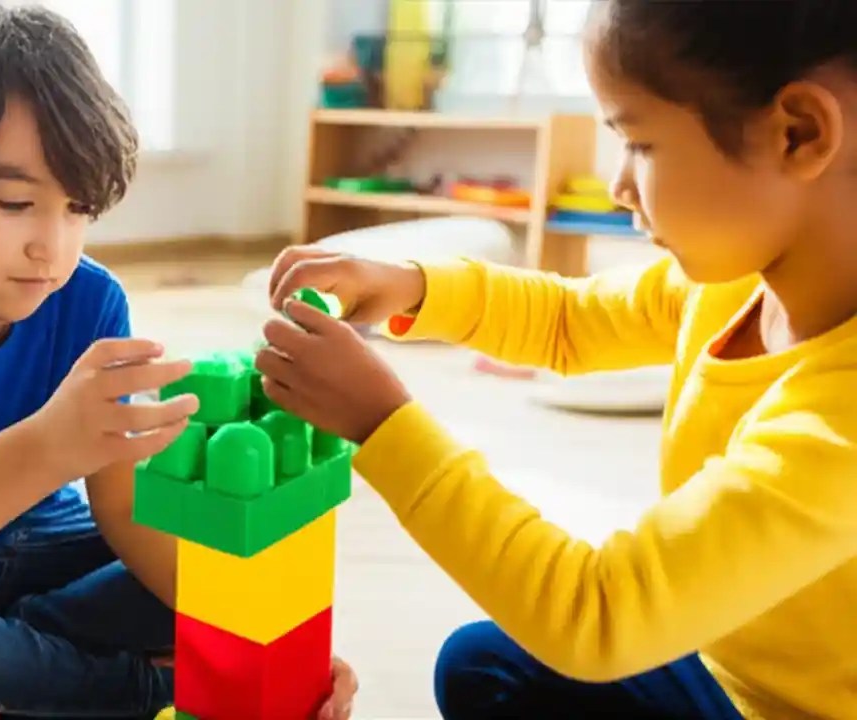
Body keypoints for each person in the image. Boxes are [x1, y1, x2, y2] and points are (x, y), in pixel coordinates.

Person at [257, 1, 857, 718]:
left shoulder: (841, 422)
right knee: (485, 663)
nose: (619, 188)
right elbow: (570, 322)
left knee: (542, 645)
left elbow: (600, 617)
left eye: (640, 144)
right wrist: (409, 286)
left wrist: (381, 425)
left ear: (799, 133)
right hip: (717, 671)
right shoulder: (734, 289)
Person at [0, 2, 360, 719]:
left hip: (50, 555)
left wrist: (271, 642)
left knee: (229, 560)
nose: (52, 245)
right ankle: (114, 688)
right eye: (16, 203)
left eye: (77, 207)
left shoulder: (88, 302)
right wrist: (47, 447)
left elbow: (122, 511)